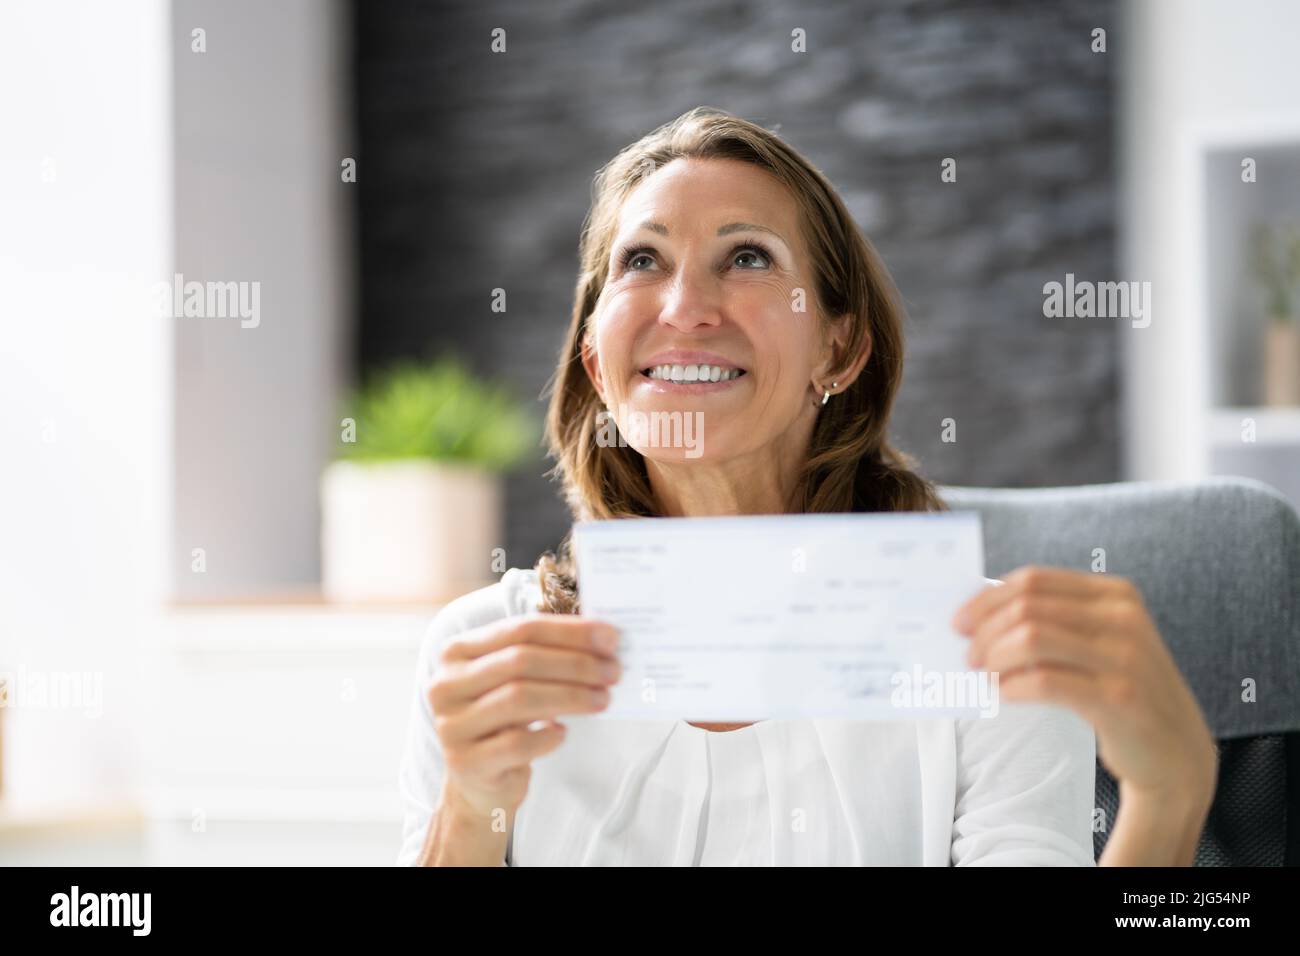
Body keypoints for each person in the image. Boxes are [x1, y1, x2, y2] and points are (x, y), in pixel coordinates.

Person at [397, 107, 1217, 866]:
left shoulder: (989, 667)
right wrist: (469, 812)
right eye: (642, 260)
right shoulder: (483, 656)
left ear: (841, 350)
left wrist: (1167, 800)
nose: (685, 308)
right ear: (595, 364)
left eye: (746, 257)